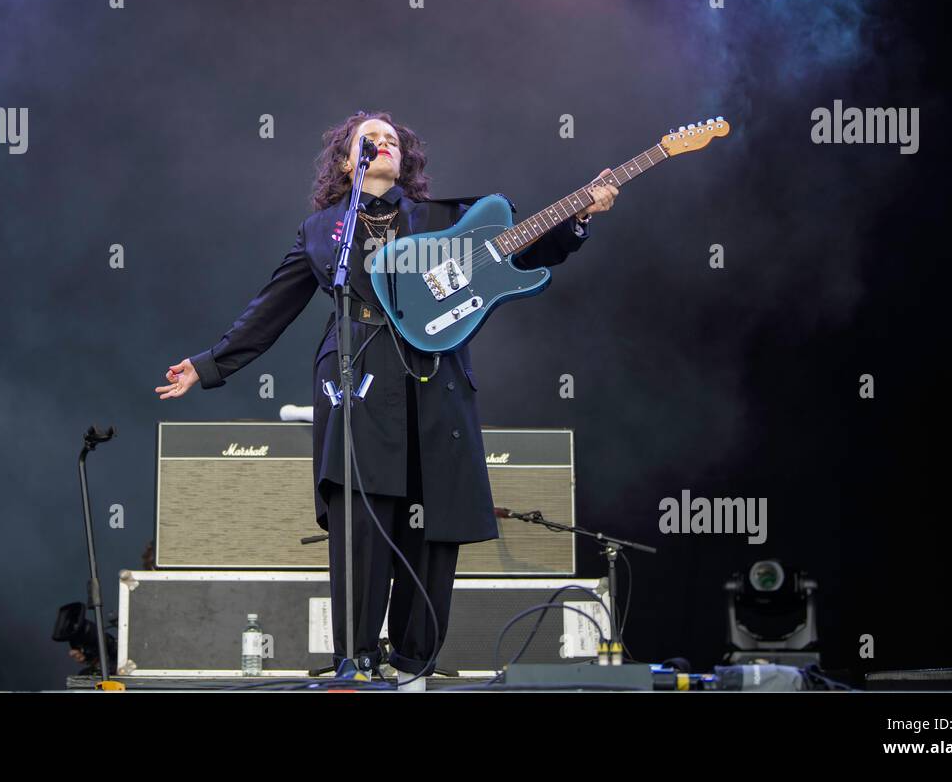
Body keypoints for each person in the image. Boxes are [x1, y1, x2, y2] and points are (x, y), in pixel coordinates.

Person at [157, 110, 618, 687]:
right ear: (348, 162)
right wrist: (207, 365)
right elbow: (272, 307)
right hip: (357, 383)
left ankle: (411, 664)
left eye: (393, 140)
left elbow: (518, 254)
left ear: (405, 159)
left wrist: (575, 221)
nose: (383, 145)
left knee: (431, 529)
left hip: (434, 383)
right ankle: (356, 661)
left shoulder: (442, 218)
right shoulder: (321, 230)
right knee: (361, 527)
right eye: (368, 140)